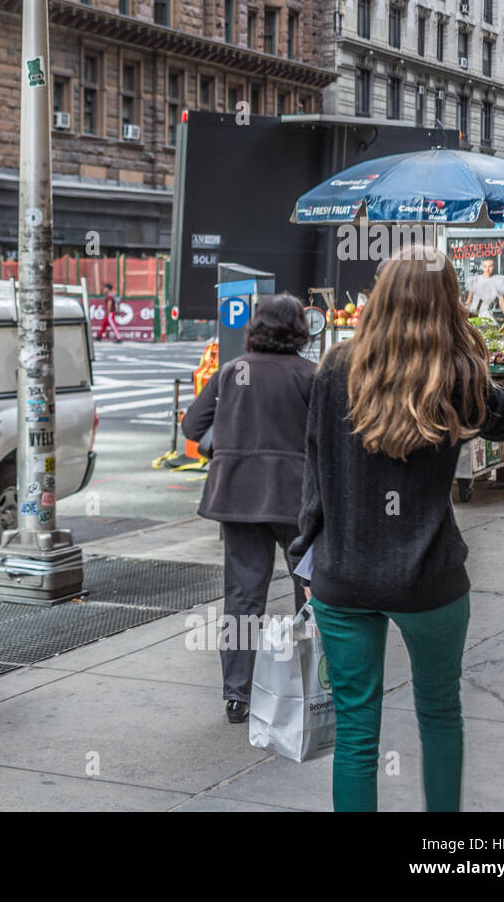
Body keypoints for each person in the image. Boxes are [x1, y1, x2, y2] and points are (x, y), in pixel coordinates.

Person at [290, 245, 504, 812]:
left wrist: (306, 556)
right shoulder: (458, 373)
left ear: (381, 295)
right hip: (430, 577)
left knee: (357, 732)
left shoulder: (337, 368)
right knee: (440, 714)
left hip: (344, 574)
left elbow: (314, 472)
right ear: (447, 303)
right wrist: (465, 349)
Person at [181, 293, 314, 724]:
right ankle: (307, 682)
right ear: (299, 329)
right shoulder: (310, 375)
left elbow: (191, 426)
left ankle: (237, 696)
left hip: (238, 498)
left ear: (255, 328)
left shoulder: (232, 372)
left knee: (243, 598)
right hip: (296, 500)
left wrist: (231, 439)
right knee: (309, 593)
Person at [464, 256, 504, 323]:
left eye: (490, 266)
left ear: (493, 267)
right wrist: (464, 318)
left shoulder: (497, 281)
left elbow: (502, 302)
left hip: (486, 314)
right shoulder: (475, 280)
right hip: (474, 314)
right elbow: (468, 302)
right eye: (485, 266)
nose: (487, 269)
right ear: (482, 267)